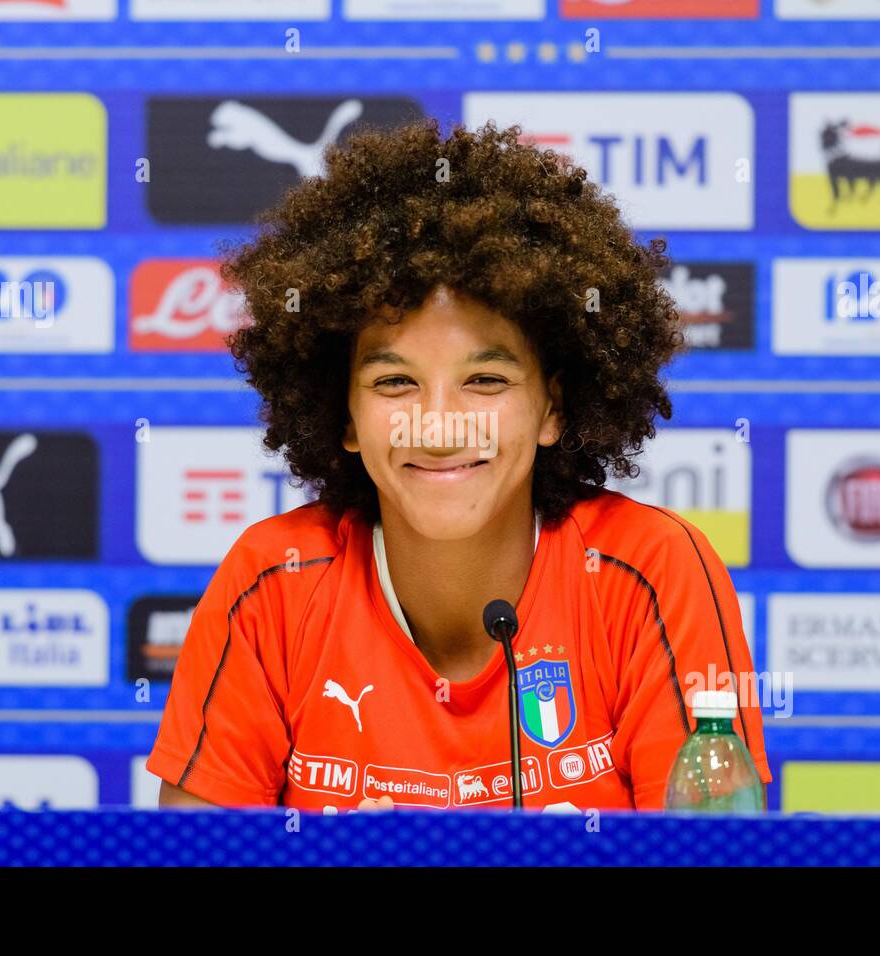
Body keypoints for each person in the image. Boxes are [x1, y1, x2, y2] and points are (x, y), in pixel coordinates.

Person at [147, 119, 771, 811]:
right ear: (345, 415)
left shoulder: (653, 572)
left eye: (485, 381)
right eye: (394, 383)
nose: (440, 426)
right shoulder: (271, 583)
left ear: (552, 409)